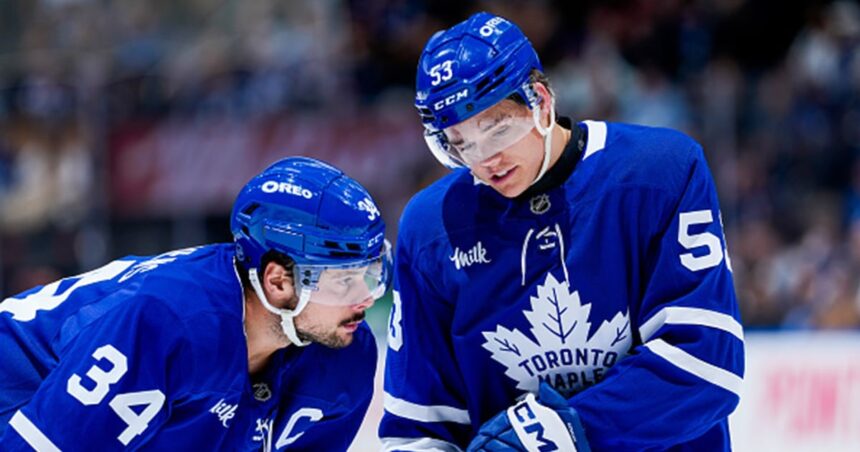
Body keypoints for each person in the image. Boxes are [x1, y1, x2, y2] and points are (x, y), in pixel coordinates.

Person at [380, 12, 744, 452]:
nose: (485, 160)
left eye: (497, 129)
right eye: (460, 144)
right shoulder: (430, 229)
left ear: (541, 101)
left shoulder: (659, 173)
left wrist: (563, 432)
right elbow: (419, 425)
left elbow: (706, 365)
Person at [0, 157, 391, 451]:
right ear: (278, 282)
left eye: (371, 272)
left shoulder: (346, 352)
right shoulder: (169, 321)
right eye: (343, 281)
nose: (367, 297)